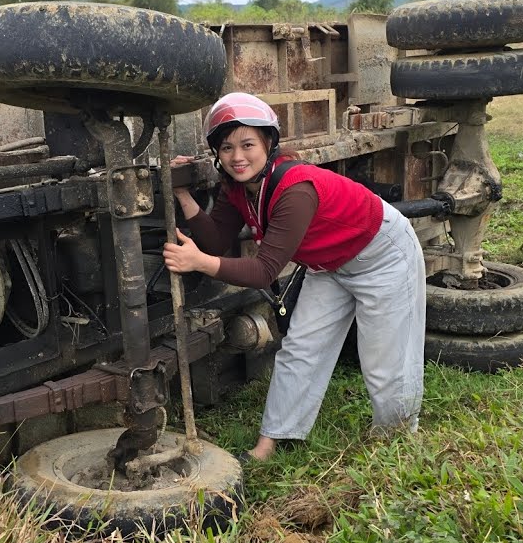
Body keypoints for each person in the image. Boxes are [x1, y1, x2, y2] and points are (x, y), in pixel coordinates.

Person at [163, 92, 425, 462]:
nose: (237, 156)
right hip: (328, 265)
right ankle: (269, 444)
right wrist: (182, 195)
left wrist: (199, 263)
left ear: (269, 143)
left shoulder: (295, 189)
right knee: (300, 349)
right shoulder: (240, 188)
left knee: (385, 360)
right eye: (226, 147)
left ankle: (398, 443)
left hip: (380, 255)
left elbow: (264, 270)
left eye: (248, 144)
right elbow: (218, 240)